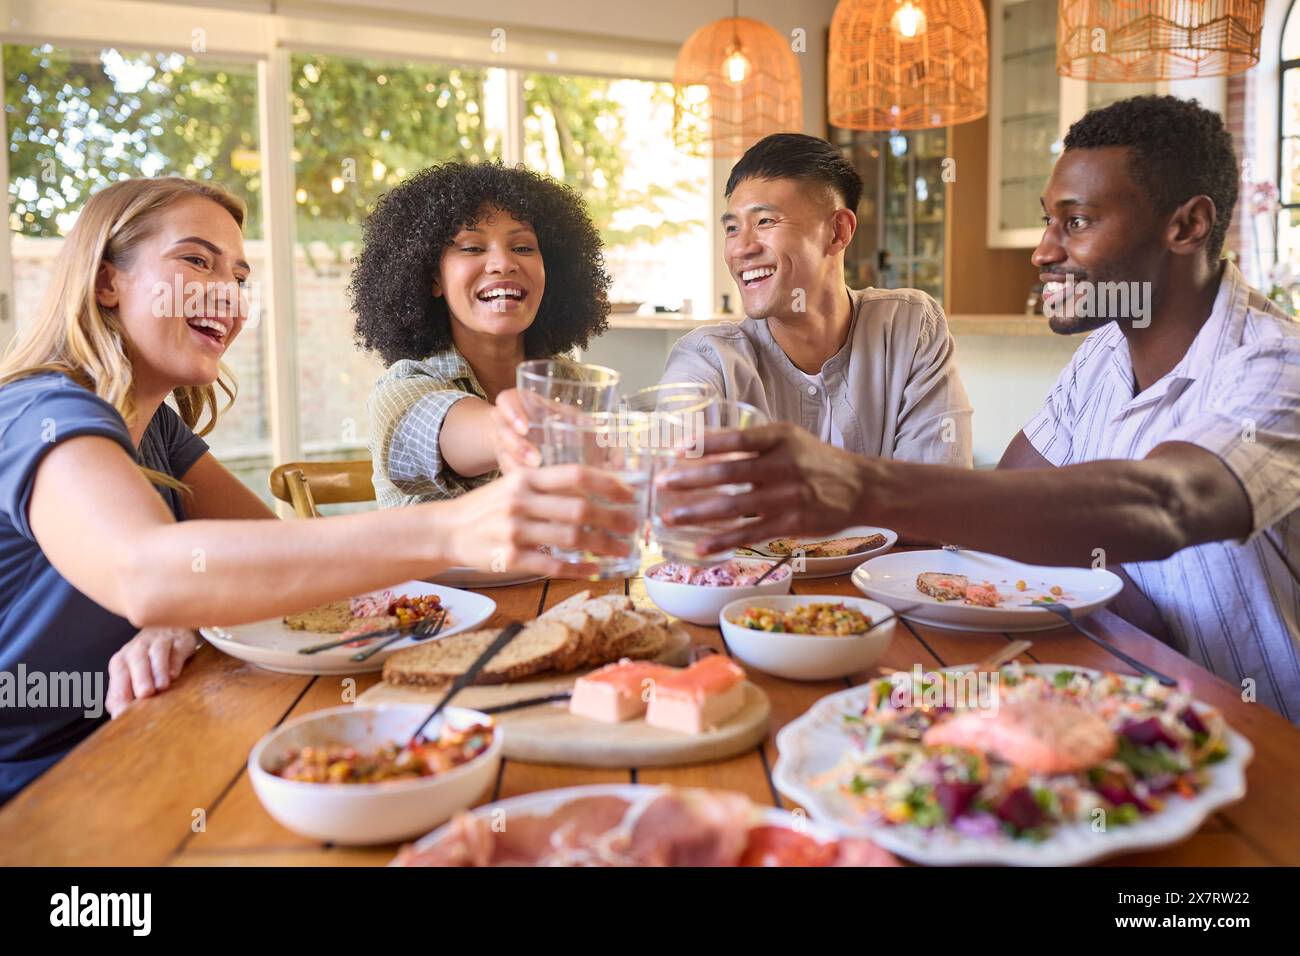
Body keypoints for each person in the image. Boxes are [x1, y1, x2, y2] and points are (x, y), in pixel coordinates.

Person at [658, 97, 1300, 723]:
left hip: (1260, 737)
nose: (1043, 251)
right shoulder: (1103, 354)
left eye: (1075, 222)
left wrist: (855, 485)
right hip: (1125, 699)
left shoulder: (1277, 364)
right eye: (1048, 220)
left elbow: (1169, 505)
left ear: (1186, 226)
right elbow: (997, 507)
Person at [0, 176, 636, 803]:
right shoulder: (39, 411)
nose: (228, 295)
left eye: (240, 278)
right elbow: (145, 573)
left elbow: (275, 559)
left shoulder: (158, 428)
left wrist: (186, 615)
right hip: (41, 788)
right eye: (198, 261)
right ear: (107, 280)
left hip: (137, 741)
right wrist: (453, 527)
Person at [659, 133, 972, 467]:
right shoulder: (708, 361)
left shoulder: (909, 326)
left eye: (765, 221)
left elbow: (940, 496)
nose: (741, 248)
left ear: (838, 232)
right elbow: (680, 495)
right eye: (733, 228)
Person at [353, 162, 611, 505]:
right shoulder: (402, 392)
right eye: (472, 248)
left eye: (523, 248)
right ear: (433, 280)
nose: (503, 263)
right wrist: (525, 427)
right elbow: (457, 431)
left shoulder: (576, 384)